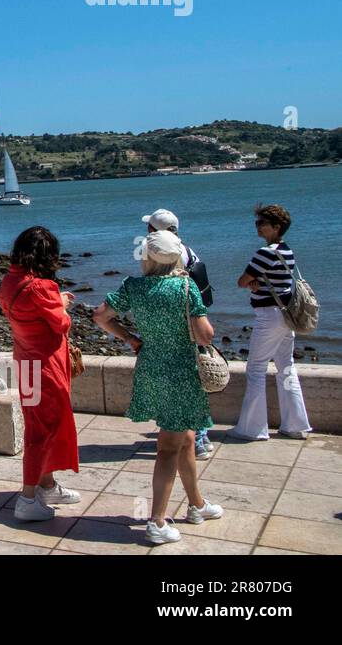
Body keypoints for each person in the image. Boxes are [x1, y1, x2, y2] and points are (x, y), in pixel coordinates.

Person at [93, 230, 223, 544]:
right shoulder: (184, 286)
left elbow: (100, 316)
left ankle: (196, 505)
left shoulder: (133, 286)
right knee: (168, 447)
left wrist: (131, 338)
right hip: (179, 372)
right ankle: (156, 522)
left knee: (186, 439)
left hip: (151, 367)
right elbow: (205, 334)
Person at [0, 226, 81, 522]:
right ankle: (28, 497)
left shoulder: (10, 280)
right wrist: (63, 303)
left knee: (41, 427)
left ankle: (47, 485)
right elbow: (61, 324)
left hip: (27, 363)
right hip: (46, 368)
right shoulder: (41, 287)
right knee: (43, 431)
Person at [230, 204, 311, 441]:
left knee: (255, 368)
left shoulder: (265, 252)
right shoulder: (287, 251)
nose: (258, 227)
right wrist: (258, 283)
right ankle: (296, 425)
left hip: (269, 315)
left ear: (276, 227)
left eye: (262, 223)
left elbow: (241, 281)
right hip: (287, 315)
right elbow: (279, 282)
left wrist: (253, 283)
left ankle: (252, 428)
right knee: (286, 366)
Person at [141, 208, 215, 459]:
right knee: (193, 383)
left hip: (178, 329)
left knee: (186, 386)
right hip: (193, 320)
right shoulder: (188, 249)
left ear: (153, 231)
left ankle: (198, 440)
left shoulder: (164, 253)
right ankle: (199, 435)